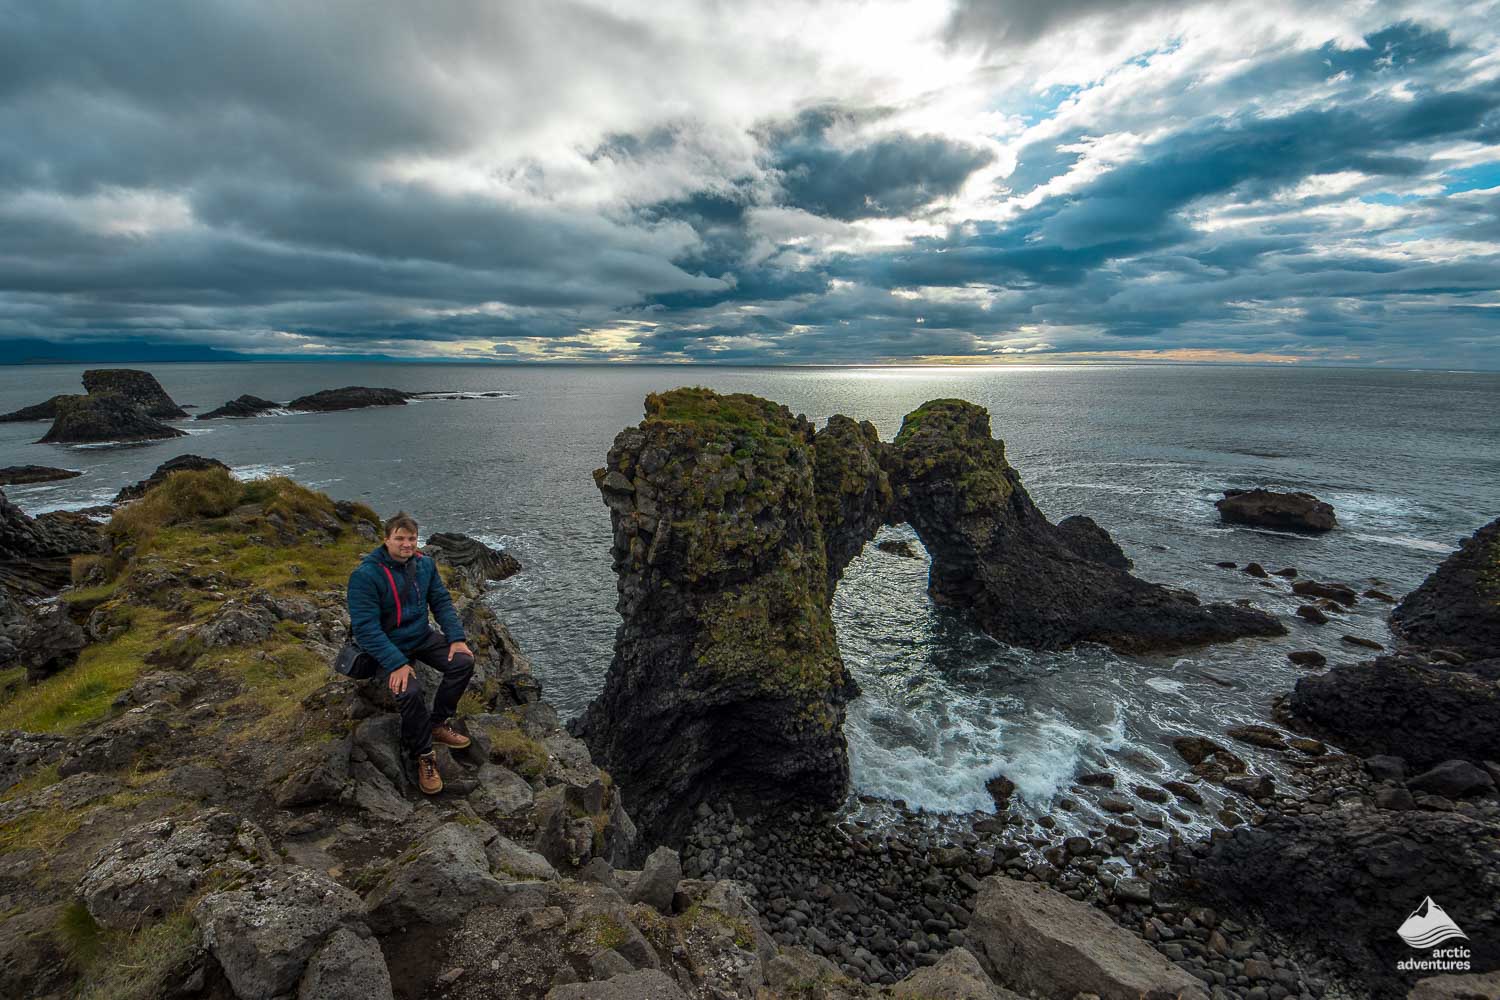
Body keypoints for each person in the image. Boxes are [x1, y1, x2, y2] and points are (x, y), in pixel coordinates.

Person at [347, 511, 474, 794]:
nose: (407, 544)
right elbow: (365, 629)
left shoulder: (424, 565)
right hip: (386, 645)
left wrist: (456, 638)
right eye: (400, 538)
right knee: (410, 692)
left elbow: (440, 601)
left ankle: (437, 723)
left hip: (420, 636)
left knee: (463, 662)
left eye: (412, 538)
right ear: (386, 540)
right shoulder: (365, 575)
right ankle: (425, 756)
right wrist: (397, 663)